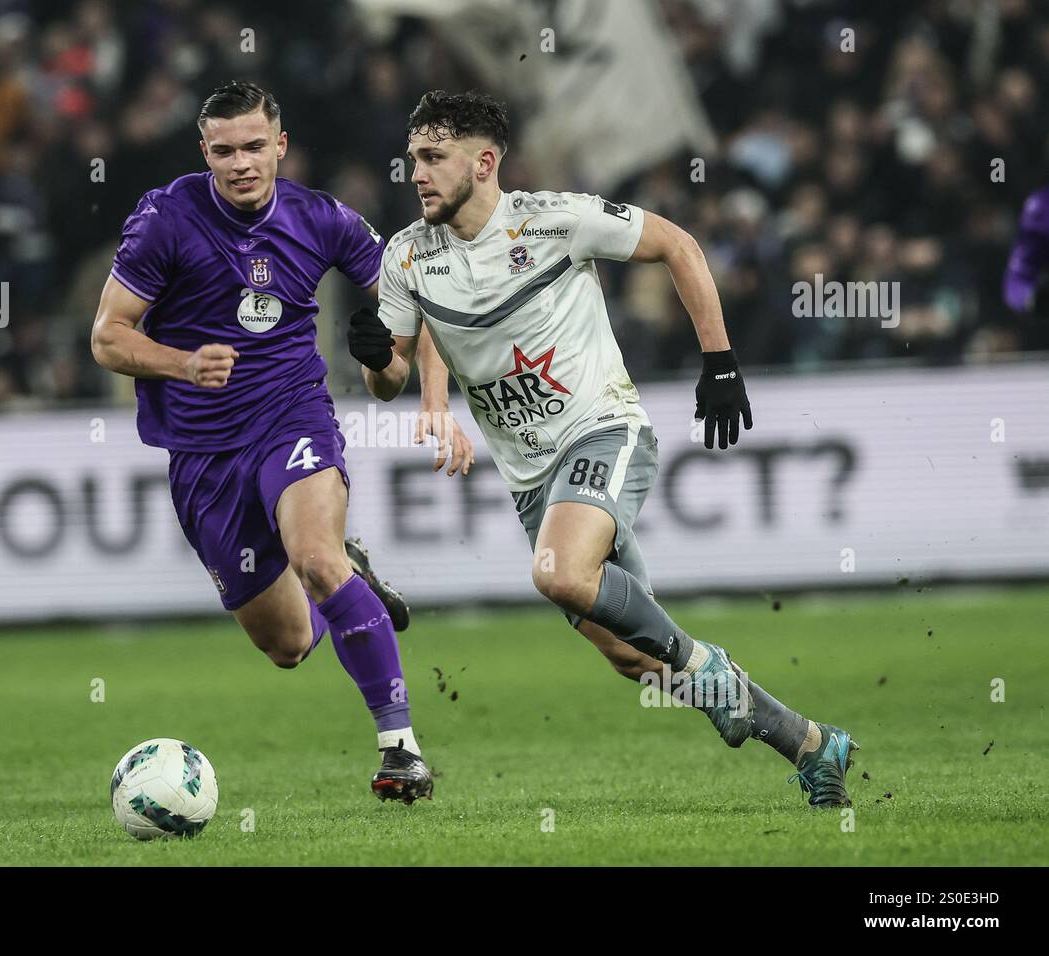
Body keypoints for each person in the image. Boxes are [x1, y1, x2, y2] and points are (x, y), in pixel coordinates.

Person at [351, 90, 858, 807]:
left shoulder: (556, 220)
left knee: (557, 573)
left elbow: (678, 245)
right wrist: (376, 359)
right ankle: (810, 742)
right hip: (531, 478)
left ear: (484, 161)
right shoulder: (407, 256)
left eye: (433, 158)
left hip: (603, 429)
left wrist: (719, 362)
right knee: (630, 654)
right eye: (413, 161)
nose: (418, 175)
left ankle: (711, 673)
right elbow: (390, 378)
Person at [91, 81, 471, 803]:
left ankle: (401, 750)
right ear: (204, 153)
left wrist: (423, 389)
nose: (242, 163)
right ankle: (347, 583)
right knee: (289, 644)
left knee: (317, 559)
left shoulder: (322, 218)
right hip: (203, 455)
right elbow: (107, 337)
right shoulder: (164, 220)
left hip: (291, 417)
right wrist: (182, 363)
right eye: (225, 150)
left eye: (256, 147)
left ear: (281, 146)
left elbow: (419, 293)